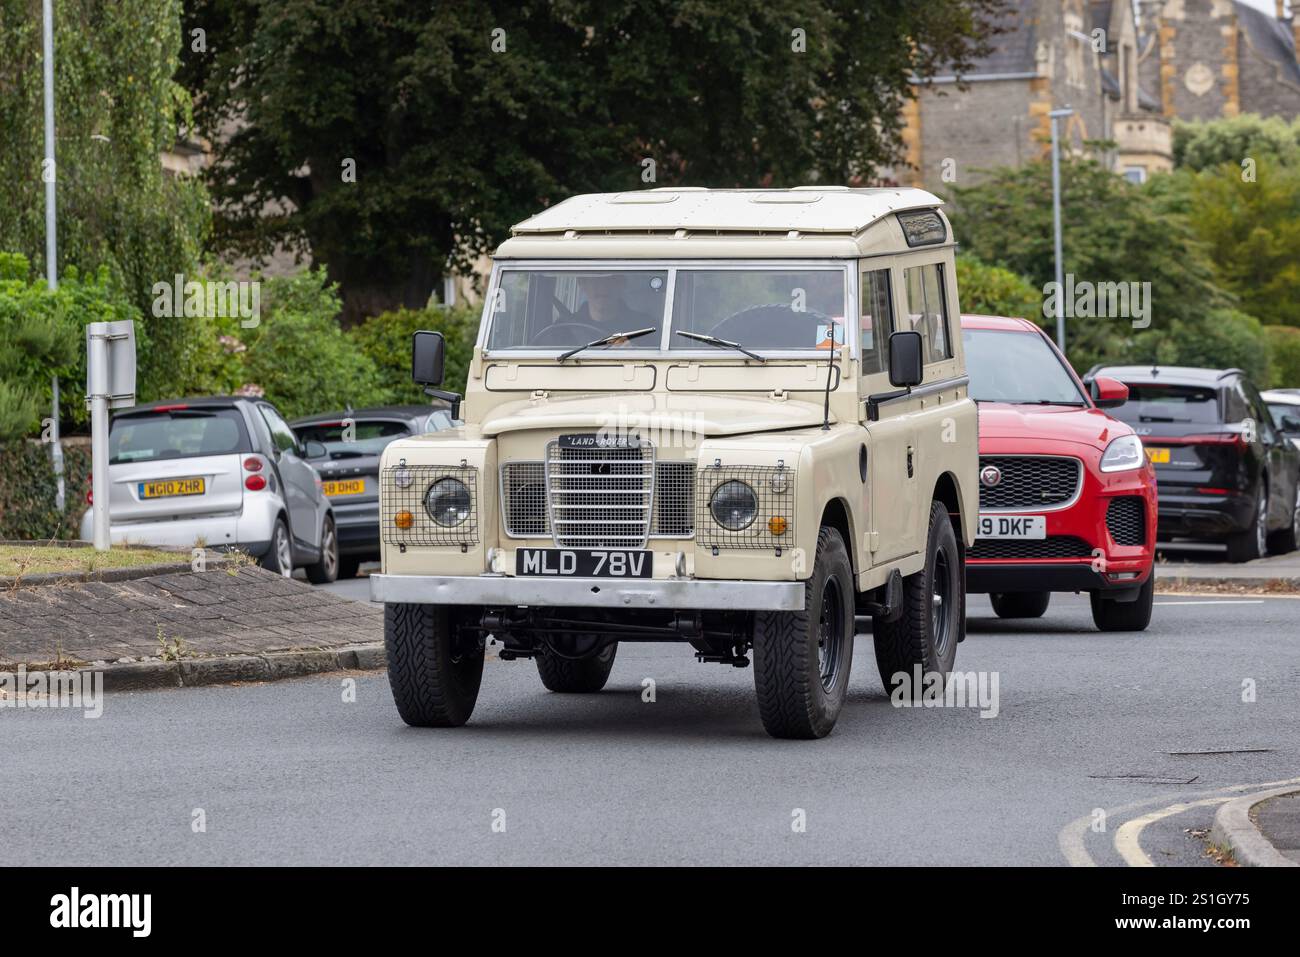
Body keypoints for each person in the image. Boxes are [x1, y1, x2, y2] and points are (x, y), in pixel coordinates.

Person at [571, 274, 657, 338]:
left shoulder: (646, 328)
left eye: (609, 280)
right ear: (582, 285)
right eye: (595, 281)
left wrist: (633, 352)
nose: (602, 288)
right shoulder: (565, 327)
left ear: (621, 284)